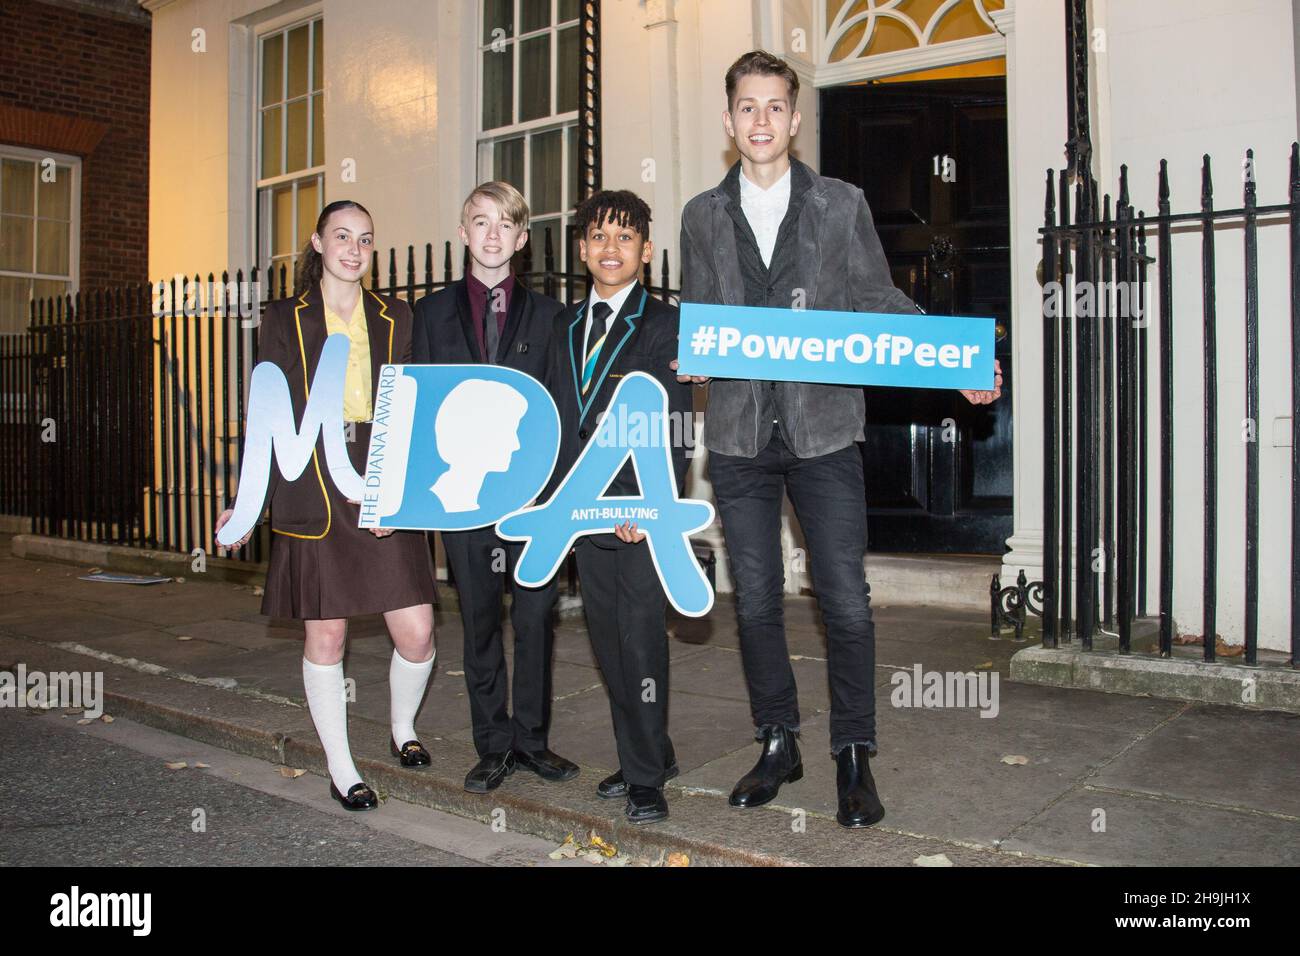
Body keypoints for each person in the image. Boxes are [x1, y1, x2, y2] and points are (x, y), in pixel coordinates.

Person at [675, 51, 1002, 828]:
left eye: (775, 107)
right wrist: (688, 359)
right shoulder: (699, 216)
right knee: (754, 598)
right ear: (729, 122)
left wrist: (951, 363)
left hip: (824, 431)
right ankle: (778, 740)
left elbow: (875, 296)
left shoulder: (842, 204)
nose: (761, 120)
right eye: (746, 108)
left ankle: (853, 753)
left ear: (794, 117)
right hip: (741, 437)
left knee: (846, 602)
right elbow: (699, 316)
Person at [216, 199, 438, 812]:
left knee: (417, 632)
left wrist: (416, 483)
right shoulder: (284, 317)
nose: (353, 249)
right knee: (328, 634)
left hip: (381, 466)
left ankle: (402, 729)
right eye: (341, 236)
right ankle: (341, 769)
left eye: (365, 239)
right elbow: (266, 411)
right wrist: (244, 503)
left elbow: (417, 403)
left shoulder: (398, 315)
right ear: (317, 243)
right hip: (313, 473)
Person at [411, 182, 578, 793]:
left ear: (522, 239)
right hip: (463, 500)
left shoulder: (554, 317)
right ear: (462, 232)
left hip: (534, 500)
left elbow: (566, 408)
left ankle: (532, 741)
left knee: (535, 619)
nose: (491, 234)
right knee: (479, 620)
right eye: (479, 222)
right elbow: (415, 409)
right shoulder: (428, 315)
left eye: (504, 224)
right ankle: (493, 744)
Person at [545, 189, 692, 825]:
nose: (611, 248)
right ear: (581, 250)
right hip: (579, 514)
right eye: (599, 237)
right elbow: (554, 419)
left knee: (641, 641)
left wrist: (655, 504)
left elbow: (677, 423)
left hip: (636, 512)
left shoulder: (666, 325)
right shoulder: (563, 326)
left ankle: (645, 778)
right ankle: (651, 748)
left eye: (624, 237)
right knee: (606, 640)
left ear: (646, 252)